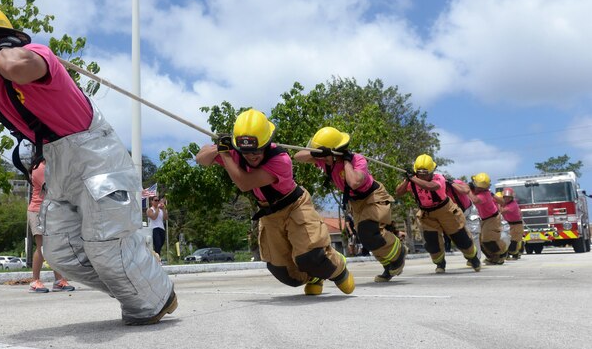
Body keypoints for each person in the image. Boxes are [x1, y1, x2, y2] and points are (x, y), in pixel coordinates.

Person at [0, 0, 175, 325]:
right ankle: (143, 288)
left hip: (95, 153)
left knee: (104, 246)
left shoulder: (34, 55)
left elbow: (17, 68)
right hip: (57, 161)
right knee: (61, 251)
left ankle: (152, 298)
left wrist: (4, 48)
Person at [195, 109, 354, 295]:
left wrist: (226, 155)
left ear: (267, 143)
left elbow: (244, 183)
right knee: (287, 274)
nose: (252, 156)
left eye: (257, 150)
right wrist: (220, 147)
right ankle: (315, 276)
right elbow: (201, 158)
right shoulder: (235, 153)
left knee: (311, 256)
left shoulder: (281, 160)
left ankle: (339, 267)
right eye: (246, 152)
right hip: (270, 214)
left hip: (295, 205)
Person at [295, 126, 406, 283]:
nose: (323, 160)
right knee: (365, 237)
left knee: (370, 231)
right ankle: (388, 265)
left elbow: (354, 182)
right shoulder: (325, 160)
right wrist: (318, 153)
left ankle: (398, 251)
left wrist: (346, 161)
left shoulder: (357, 160)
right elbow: (298, 156)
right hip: (356, 203)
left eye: (325, 156)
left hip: (373, 197)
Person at [394, 155, 481, 273]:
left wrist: (413, 178)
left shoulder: (438, 178)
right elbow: (398, 192)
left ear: (432, 171)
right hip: (426, 213)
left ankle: (473, 258)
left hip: (445, 210)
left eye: (425, 173)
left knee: (460, 237)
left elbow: (431, 187)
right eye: (419, 173)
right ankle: (440, 263)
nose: (423, 176)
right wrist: (407, 180)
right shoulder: (412, 180)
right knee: (432, 241)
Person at [27, 155, 76, 293]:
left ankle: (58, 281)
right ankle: (35, 281)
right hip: (37, 211)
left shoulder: (50, 167)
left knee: (53, 247)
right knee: (41, 246)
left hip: (49, 210)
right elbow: (52, 189)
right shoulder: (39, 169)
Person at [467, 172, 507, 265]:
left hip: (492, 218)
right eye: (478, 187)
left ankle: (501, 253)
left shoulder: (485, 194)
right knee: (480, 241)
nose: (479, 189)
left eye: (481, 188)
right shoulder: (475, 190)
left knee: (488, 239)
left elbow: (475, 200)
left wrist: (467, 191)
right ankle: (491, 257)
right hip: (483, 219)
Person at [500, 188, 524, 259]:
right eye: (505, 197)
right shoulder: (504, 204)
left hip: (516, 224)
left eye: (508, 197)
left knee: (514, 241)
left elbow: (503, 211)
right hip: (508, 224)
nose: (506, 199)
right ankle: (507, 254)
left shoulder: (513, 205)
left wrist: (498, 204)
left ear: (512, 198)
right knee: (505, 240)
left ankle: (516, 253)